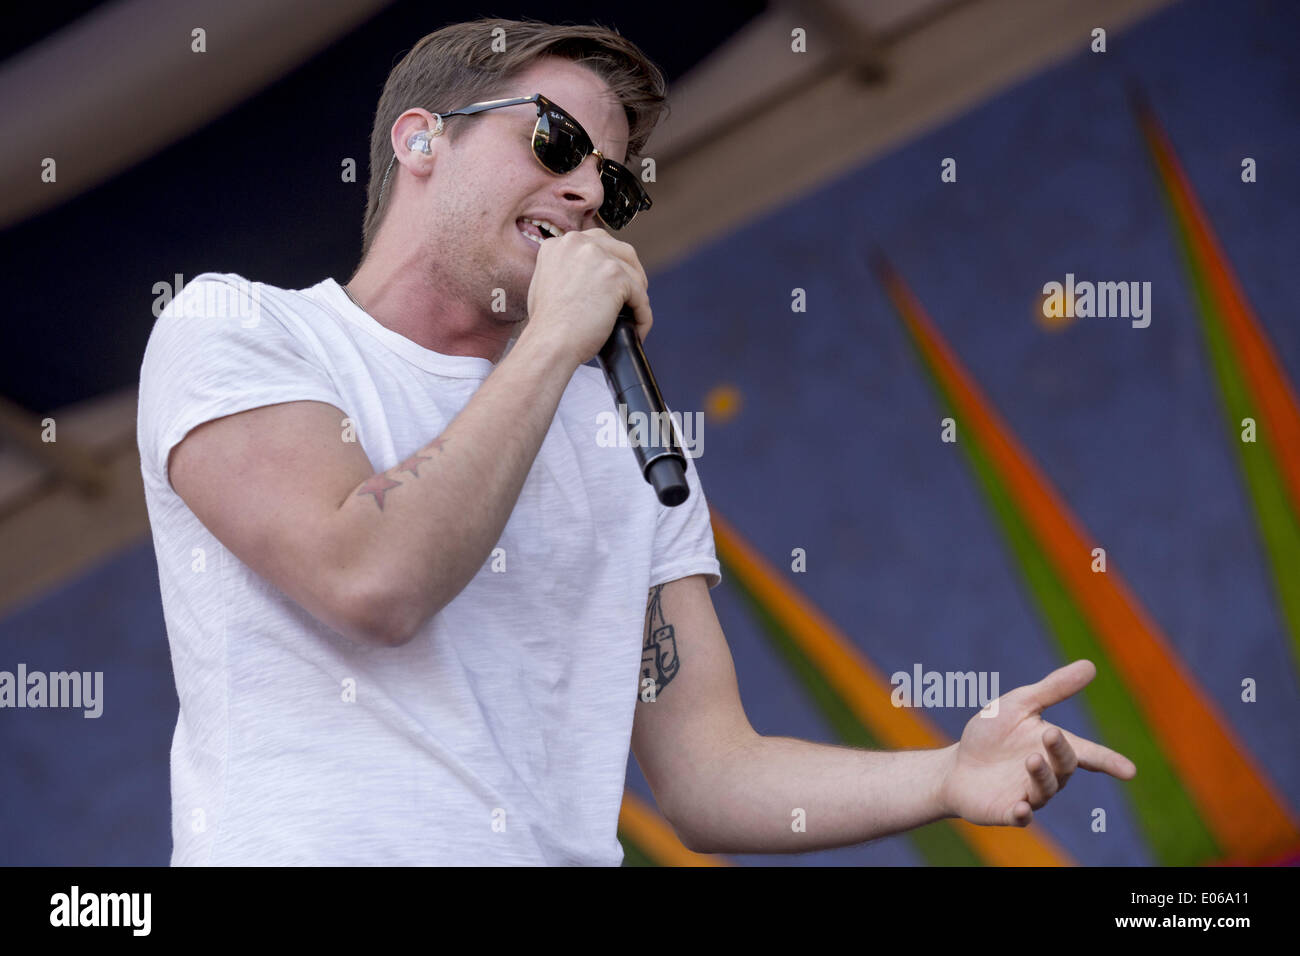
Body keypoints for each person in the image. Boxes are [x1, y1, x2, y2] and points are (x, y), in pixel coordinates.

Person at [137, 17, 1135, 866]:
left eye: (614, 187)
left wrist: (946, 773)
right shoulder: (240, 328)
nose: (584, 192)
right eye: (556, 140)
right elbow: (372, 580)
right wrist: (559, 340)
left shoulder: (617, 432)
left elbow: (708, 772)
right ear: (419, 139)